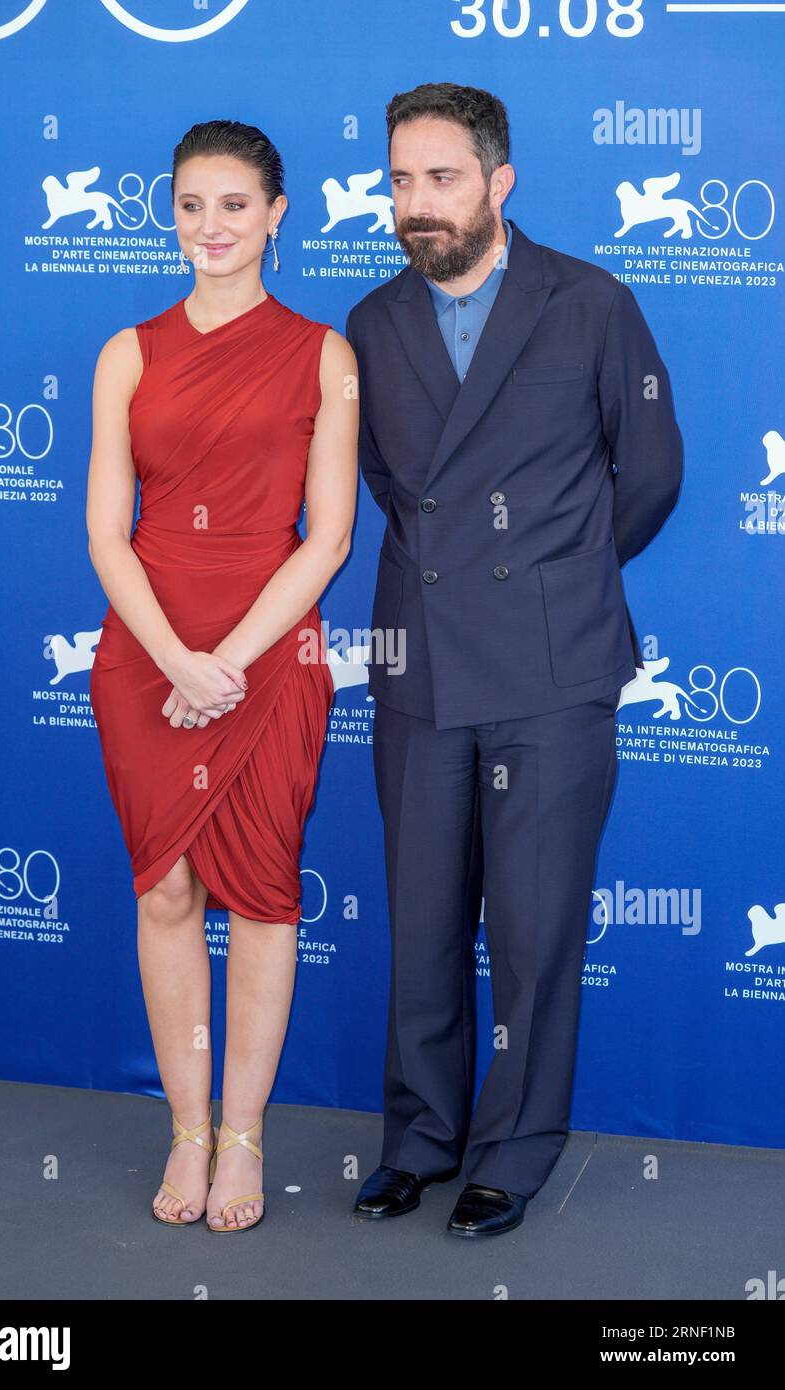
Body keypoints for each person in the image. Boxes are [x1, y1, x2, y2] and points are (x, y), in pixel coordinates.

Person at [345, 83, 683, 1237]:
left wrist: (552, 577)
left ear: (499, 182)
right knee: (420, 918)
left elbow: (645, 476)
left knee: (533, 930)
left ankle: (514, 1148)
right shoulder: (371, 321)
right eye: (399, 180)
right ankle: (420, 1138)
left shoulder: (590, 302)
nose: (416, 203)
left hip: (551, 670)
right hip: (420, 662)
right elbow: (391, 489)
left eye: (440, 178)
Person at [87, 120, 357, 1232]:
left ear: (276, 214)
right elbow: (108, 533)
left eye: (234, 204)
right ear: (172, 212)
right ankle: (186, 1128)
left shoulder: (323, 355)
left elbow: (328, 537)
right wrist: (173, 660)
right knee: (164, 889)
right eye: (190, 204)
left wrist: (227, 665)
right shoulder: (127, 351)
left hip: (267, 653)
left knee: (259, 893)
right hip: (146, 651)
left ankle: (244, 1134)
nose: (211, 227)